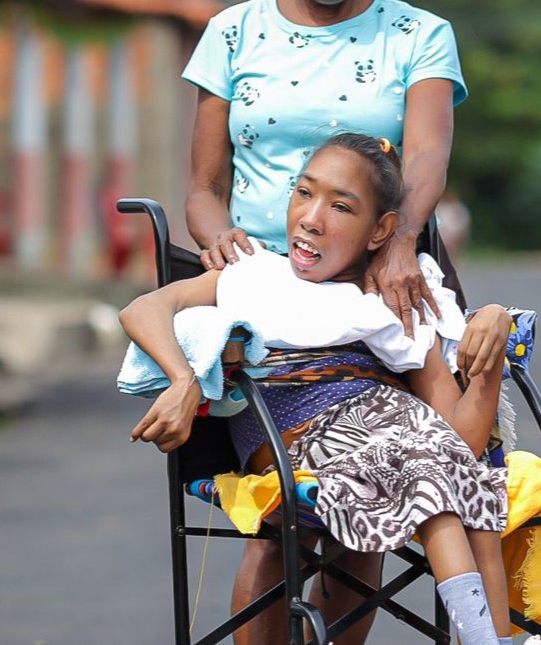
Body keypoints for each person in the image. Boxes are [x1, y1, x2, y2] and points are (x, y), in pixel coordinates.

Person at [124, 134, 514, 645]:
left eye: (340, 207)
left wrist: (489, 360)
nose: (311, 218)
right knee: (430, 465)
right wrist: (184, 379)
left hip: (400, 431)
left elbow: (461, 442)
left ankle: (492, 640)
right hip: (298, 434)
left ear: (382, 231)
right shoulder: (256, 274)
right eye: (304, 193)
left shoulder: (395, 300)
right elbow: (144, 309)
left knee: (454, 469)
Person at [184, 0, 463, 331]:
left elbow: (426, 157)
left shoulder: (420, 35)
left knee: (443, 392)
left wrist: (398, 245)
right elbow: (204, 188)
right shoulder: (231, 32)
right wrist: (226, 250)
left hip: (373, 275)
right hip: (260, 278)